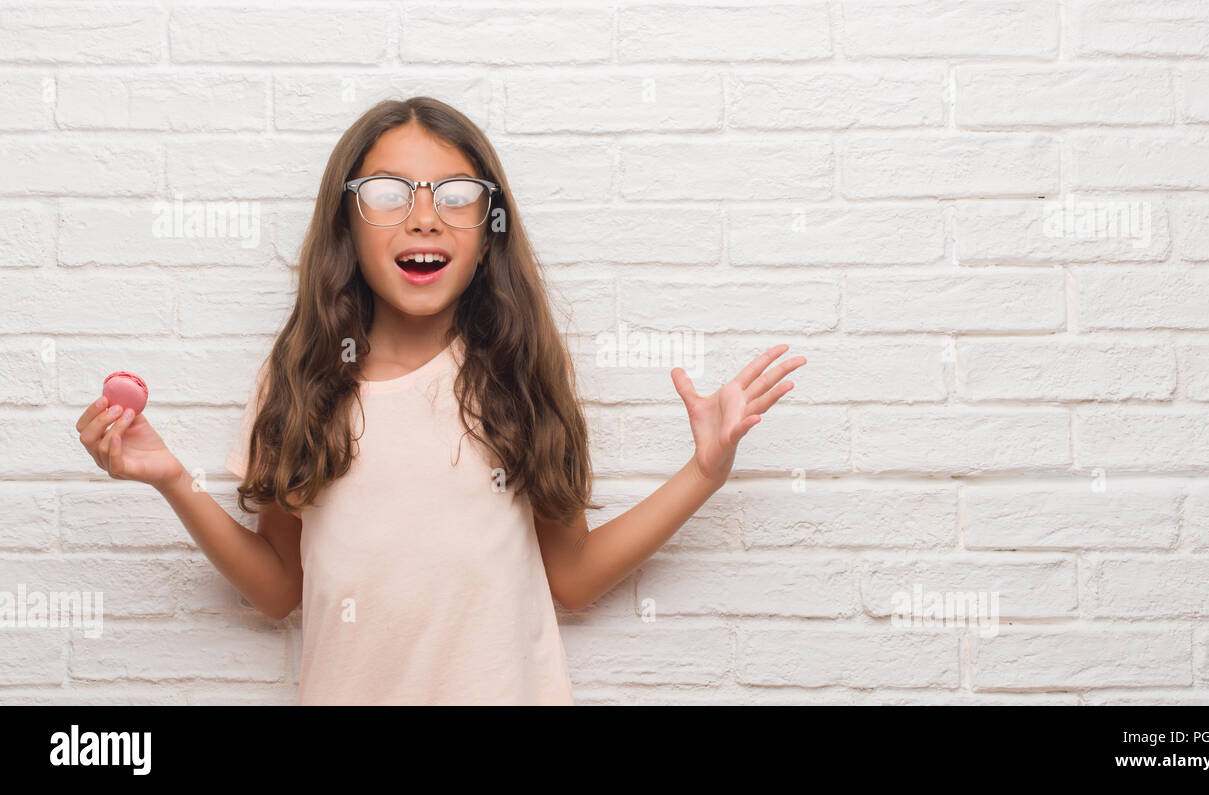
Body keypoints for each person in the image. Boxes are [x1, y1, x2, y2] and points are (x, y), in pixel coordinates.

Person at [74, 96, 805, 705]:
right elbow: (277, 589)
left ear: (487, 235)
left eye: (456, 197)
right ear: (347, 225)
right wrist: (173, 479)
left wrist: (703, 473)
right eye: (389, 195)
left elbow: (574, 575)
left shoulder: (515, 374)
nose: (424, 217)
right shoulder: (300, 379)